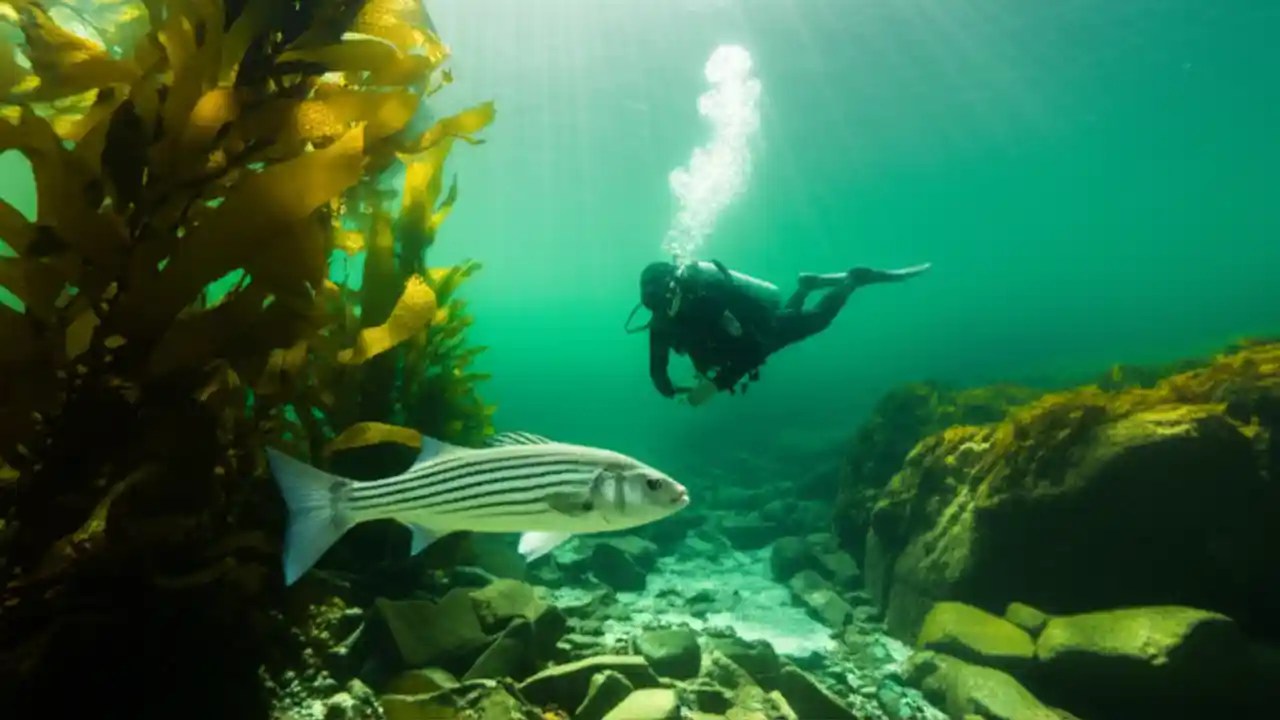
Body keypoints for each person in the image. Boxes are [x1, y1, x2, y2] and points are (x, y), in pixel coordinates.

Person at [626, 259, 931, 405]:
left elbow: (752, 349)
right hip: (754, 336)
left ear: (675, 289)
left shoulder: (707, 302)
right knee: (785, 323)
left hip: (761, 333)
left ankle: (853, 280)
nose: (664, 313)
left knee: (819, 319)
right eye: (656, 307)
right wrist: (674, 391)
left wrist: (714, 386)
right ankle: (805, 287)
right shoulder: (661, 323)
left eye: (665, 303)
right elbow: (658, 374)